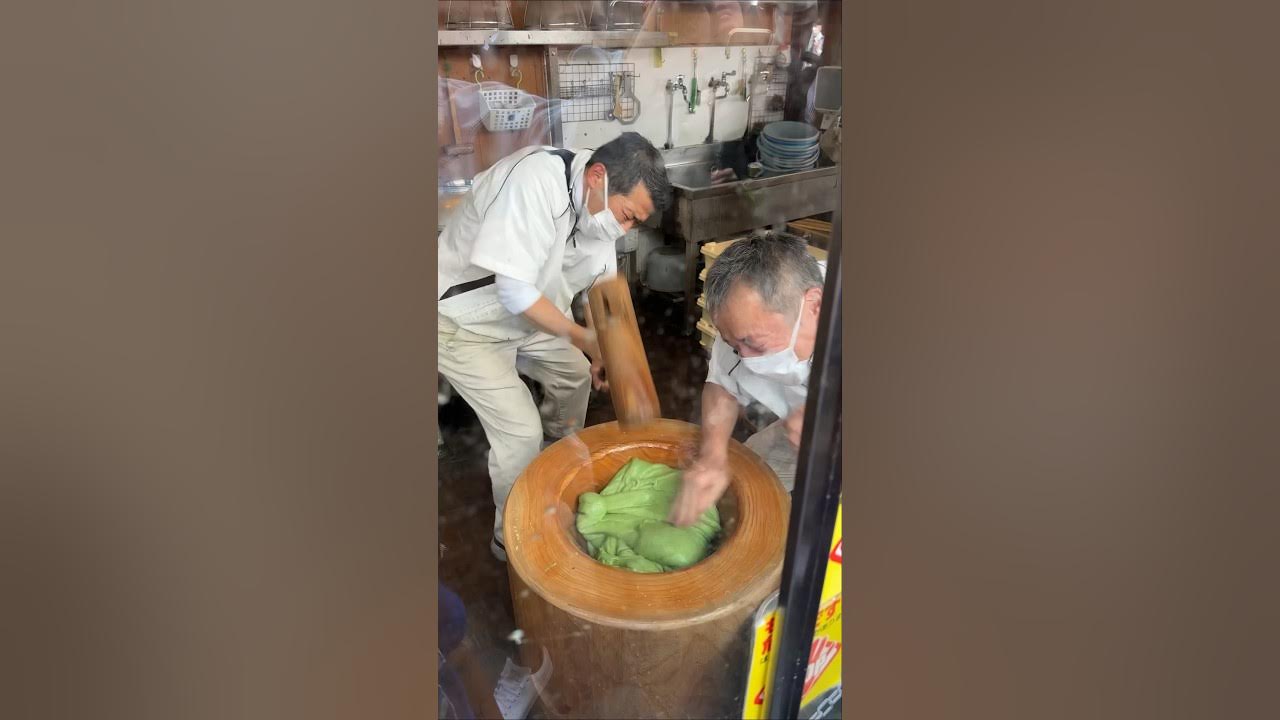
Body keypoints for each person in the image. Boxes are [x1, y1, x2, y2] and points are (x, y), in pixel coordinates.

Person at [438, 132, 672, 561]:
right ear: (597, 176)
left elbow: (602, 293)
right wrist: (584, 339)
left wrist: (612, 355)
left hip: (530, 319)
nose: (624, 230)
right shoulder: (535, 181)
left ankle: (553, 464)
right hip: (463, 323)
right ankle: (510, 536)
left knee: (575, 374)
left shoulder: (599, 206)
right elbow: (513, 291)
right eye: (627, 217)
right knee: (518, 431)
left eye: (635, 222)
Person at [669, 234, 825, 527]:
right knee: (747, 484)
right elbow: (722, 385)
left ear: (815, 305)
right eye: (734, 345)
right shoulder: (740, 323)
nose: (745, 357)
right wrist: (713, 456)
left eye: (754, 344)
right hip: (798, 429)